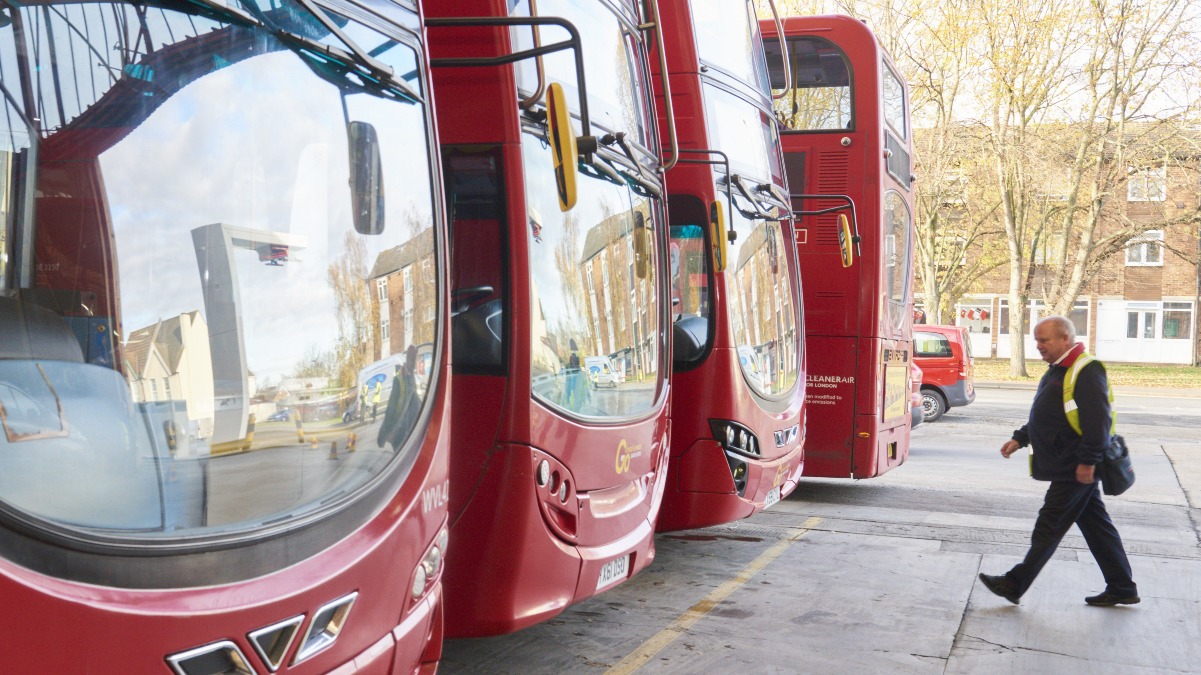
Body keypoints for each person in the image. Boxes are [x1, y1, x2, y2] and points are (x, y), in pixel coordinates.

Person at [978, 315, 1138, 607]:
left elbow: (1098, 422)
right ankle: (1122, 587)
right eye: (1037, 340)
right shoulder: (1057, 369)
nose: (1038, 346)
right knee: (1097, 528)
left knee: (1049, 526)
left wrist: (1088, 462)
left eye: (1044, 340)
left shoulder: (1086, 370)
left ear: (1065, 338)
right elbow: (1050, 414)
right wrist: (1021, 438)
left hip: (1075, 467)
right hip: (1071, 465)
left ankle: (1015, 583)